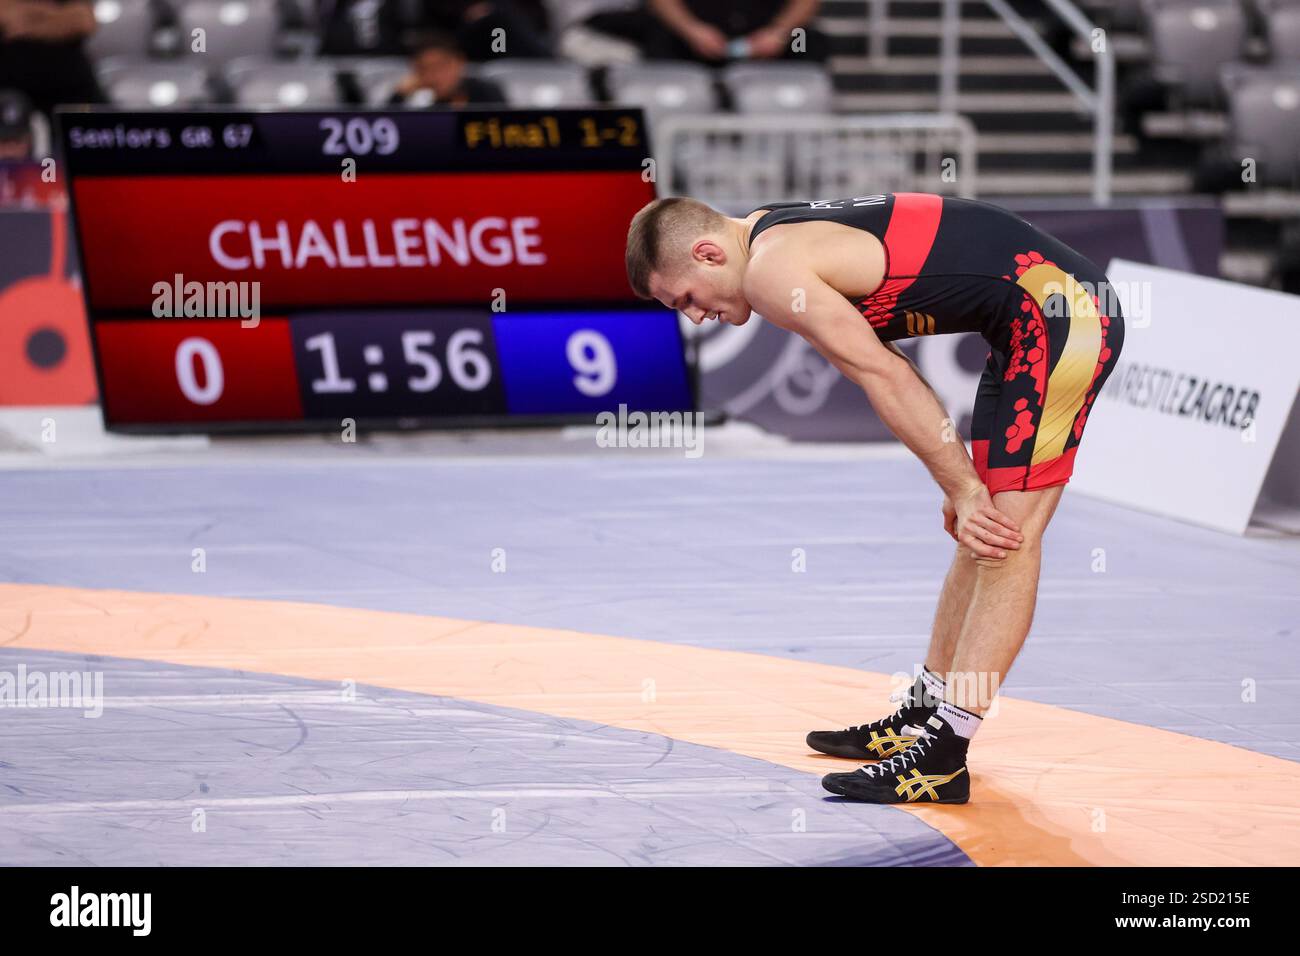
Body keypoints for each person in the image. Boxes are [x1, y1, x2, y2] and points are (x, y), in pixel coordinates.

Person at [625, 193, 1124, 804]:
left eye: (686, 299)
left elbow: (880, 373)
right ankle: (925, 714)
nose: (696, 317)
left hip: (1063, 314)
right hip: (1028, 320)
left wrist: (963, 486)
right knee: (983, 532)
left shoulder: (770, 271)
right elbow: (884, 358)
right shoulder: (769, 233)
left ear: (707, 253)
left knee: (1004, 539)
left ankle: (945, 756)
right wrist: (958, 482)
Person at [0, 0, 103, 117]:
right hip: (11, 96)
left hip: (71, 90)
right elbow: (6, 16)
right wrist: (49, 16)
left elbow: (85, 21)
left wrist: (27, 24)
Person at [645, 0, 826, 63]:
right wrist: (690, 30)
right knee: (658, 35)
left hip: (777, 40)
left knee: (804, 40)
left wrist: (780, 32)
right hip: (691, 40)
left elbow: (808, 3)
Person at [388, 32, 505, 106]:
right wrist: (399, 97)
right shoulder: (415, 100)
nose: (433, 76)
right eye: (424, 69)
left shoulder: (486, 93)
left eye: (440, 67)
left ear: (460, 62)